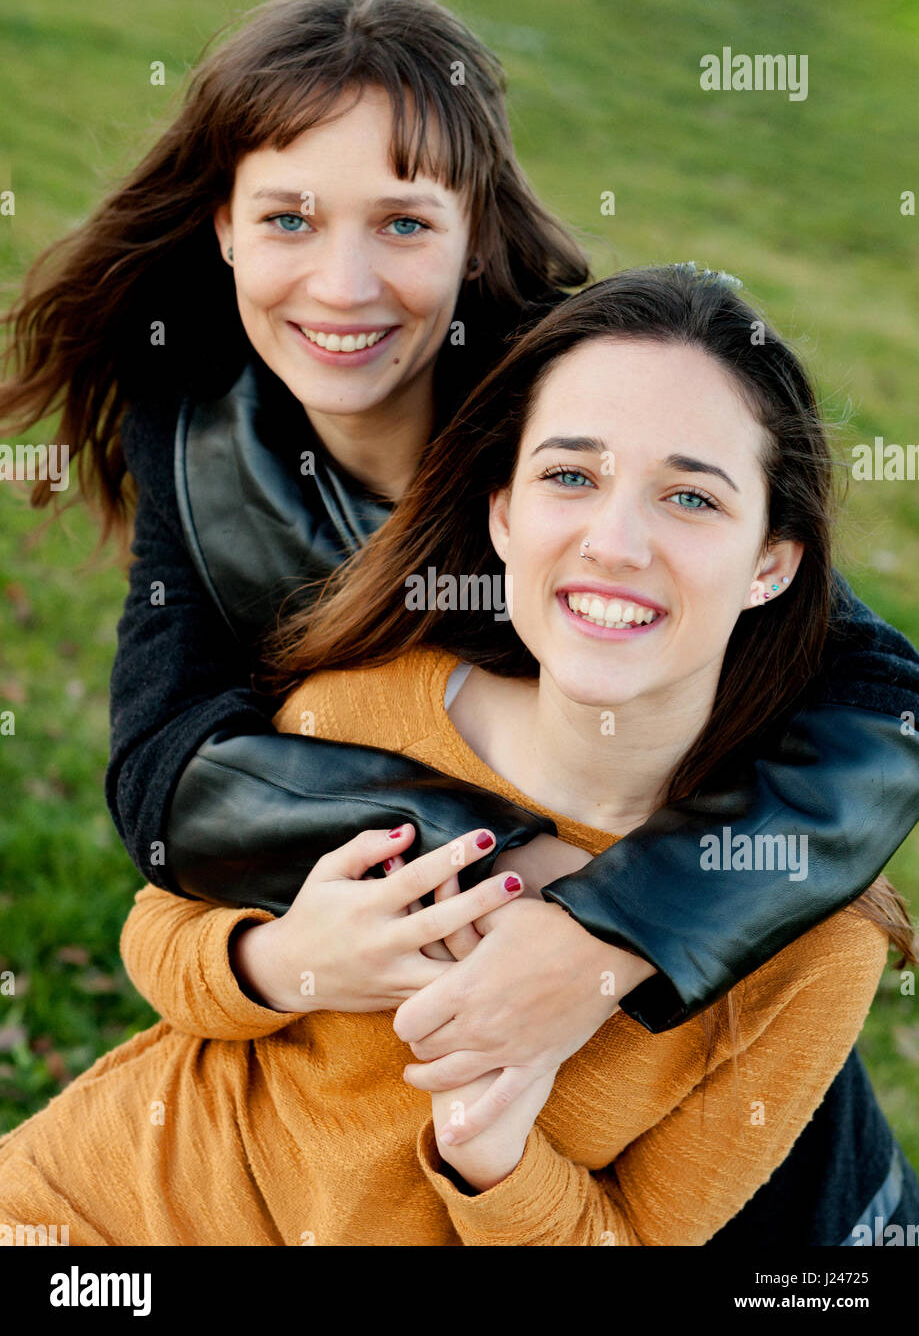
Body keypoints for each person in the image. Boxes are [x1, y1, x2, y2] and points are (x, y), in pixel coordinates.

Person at [2, 0, 918, 1141]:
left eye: (403, 223)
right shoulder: (189, 428)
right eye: (288, 218)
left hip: (687, 1021)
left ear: (472, 227)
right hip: (407, 1042)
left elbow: (882, 701)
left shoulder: (574, 396)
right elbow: (166, 771)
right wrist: (483, 858)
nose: (344, 286)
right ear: (224, 223)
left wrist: (615, 920)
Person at [1, 266, 916, 1246]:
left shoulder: (814, 949)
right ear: (504, 515)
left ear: (770, 564)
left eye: (690, 498)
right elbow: (160, 929)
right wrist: (286, 963)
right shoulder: (373, 702)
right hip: (84, 1208)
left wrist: (495, 1162)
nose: (614, 541)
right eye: (570, 476)